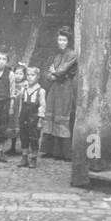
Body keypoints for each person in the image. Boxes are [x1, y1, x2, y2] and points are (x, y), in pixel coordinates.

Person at [40, 26, 77, 161]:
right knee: (51, 115)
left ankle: (64, 153)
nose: (61, 42)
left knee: (62, 117)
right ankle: (51, 151)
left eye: (64, 40)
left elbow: (62, 70)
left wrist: (54, 72)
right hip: (55, 88)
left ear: (68, 41)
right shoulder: (55, 55)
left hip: (65, 88)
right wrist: (53, 74)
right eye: (59, 39)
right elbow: (46, 72)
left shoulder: (72, 54)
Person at [16, 66, 46, 169]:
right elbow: (21, 103)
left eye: (32, 75)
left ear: (37, 77)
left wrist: (40, 120)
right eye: (28, 75)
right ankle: (24, 157)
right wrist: (19, 115)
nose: (30, 77)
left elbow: (42, 106)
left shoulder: (40, 91)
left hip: (34, 117)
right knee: (23, 137)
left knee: (34, 138)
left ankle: (33, 158)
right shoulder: (24, 89)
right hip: (24, 116)